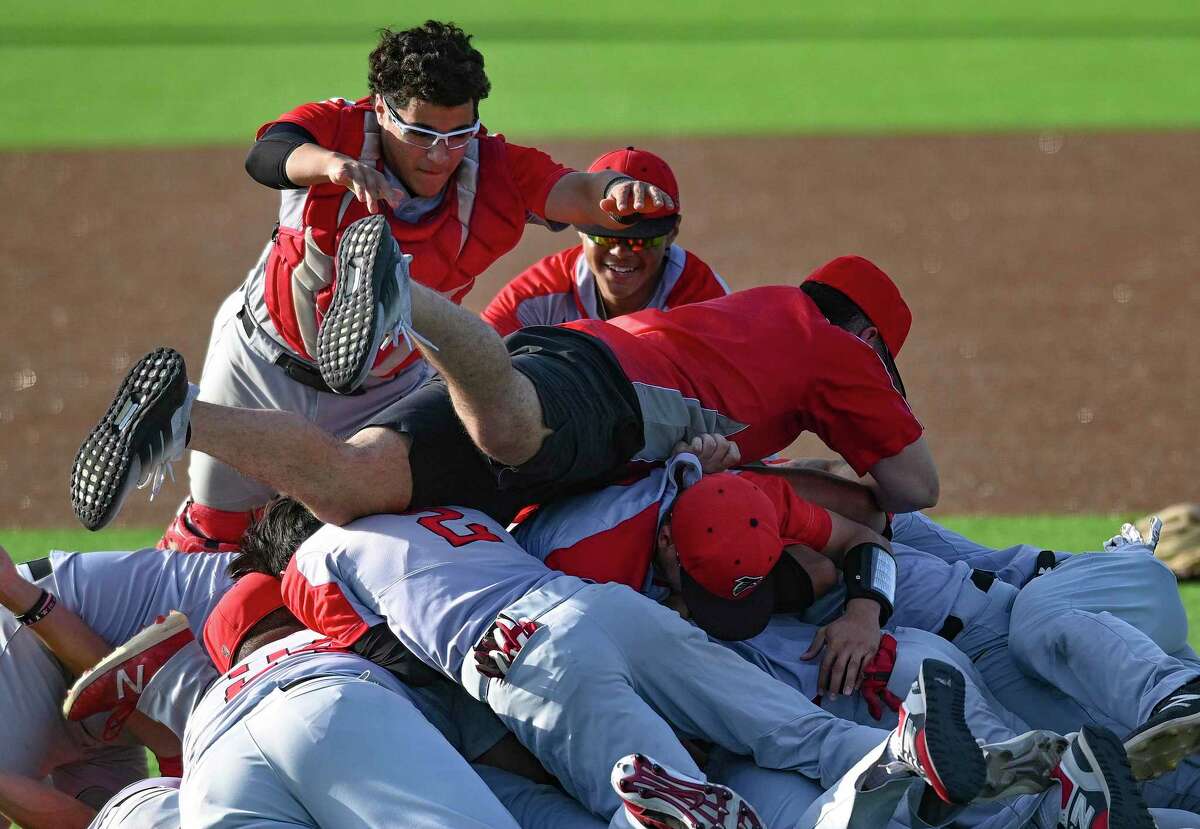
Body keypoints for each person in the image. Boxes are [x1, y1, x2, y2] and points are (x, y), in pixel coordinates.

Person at [167, 20, 677, 551]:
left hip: (389, 385)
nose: (440, 155)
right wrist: (333, 166)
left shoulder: (495, 168)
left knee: (350, 540)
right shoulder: (338, 129)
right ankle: (165, 425)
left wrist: (617, 191)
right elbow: (268, 154)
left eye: (458, 135)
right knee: (217, 534)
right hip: (262, 363)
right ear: (382, 108)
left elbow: (573, 189)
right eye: (420, 134)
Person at [71, 250, 937, 537]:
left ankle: (182, 414)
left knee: (347, 486)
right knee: (515, 435)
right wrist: (829, 462)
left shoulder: (759, 315)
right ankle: (406, 302)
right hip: (607, 394)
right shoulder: (837, 350)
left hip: (564, 361)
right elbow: (911, 489)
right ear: (867, 337)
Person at [481, 147, 728, 335]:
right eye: (604, 238)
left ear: (671, 233)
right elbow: (471, 368)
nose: (620, 252)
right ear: (581, 232)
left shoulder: (705, 302)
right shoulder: (534, 298)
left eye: (639, 241)